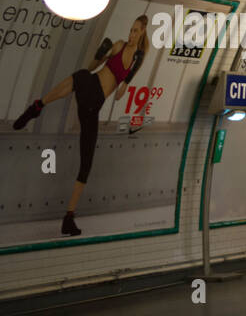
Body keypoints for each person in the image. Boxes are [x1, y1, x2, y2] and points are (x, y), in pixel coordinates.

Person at [13, 14, 149, 235]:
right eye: (131, 29)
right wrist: (101, 54)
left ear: (143, 32)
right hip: (91, 85)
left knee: (86, 164)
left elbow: (118, 96)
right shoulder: (118, 46)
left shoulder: (138, 58)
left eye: (136, 31)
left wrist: (130, 76)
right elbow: (92, 66)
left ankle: (69, 218)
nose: (131, 34)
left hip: (94, 105)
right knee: (82, 75)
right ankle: (37, 106)